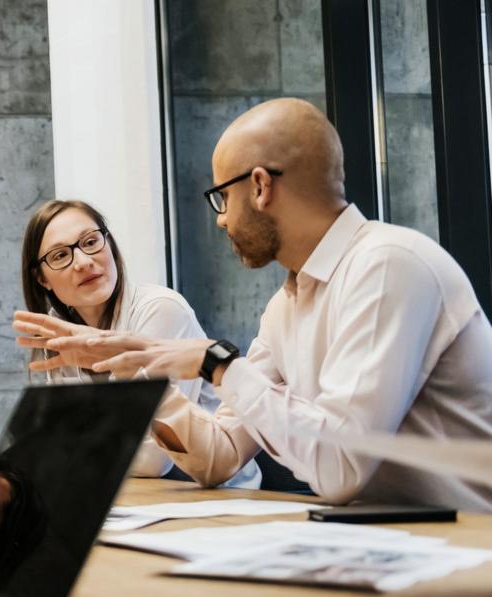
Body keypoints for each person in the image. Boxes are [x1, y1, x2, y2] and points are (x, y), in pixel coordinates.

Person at [24, 98, 492, 513]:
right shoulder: (285, 306)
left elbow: (341, 467)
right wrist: (128, 368)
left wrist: (217, 363)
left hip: (469, 553)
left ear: (261, 186)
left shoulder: (388, 265)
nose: (221, 219)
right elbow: (219, 457)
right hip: (392, 545)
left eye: (221, 198)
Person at [14, 199, 260, 487]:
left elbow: (154, 459)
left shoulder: (161, 309)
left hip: (214, 496)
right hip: (126, 497)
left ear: (109, 242)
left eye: (91, 241)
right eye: (59, 256)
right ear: (41, 278)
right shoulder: (56, 330)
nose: (83, 262)